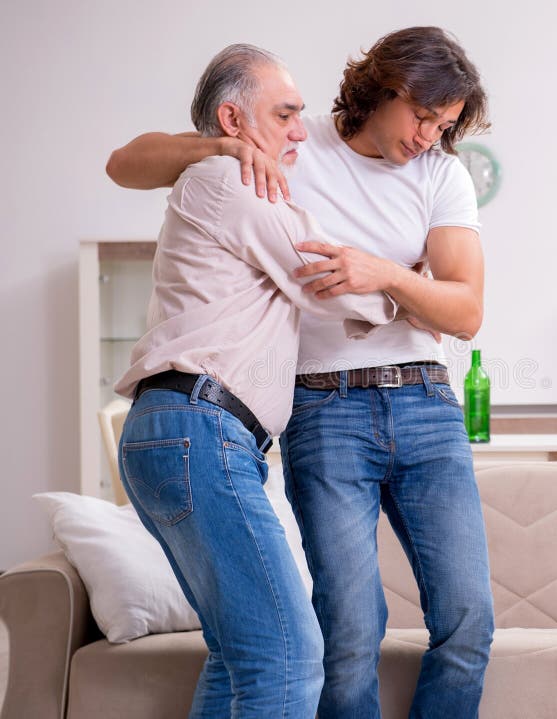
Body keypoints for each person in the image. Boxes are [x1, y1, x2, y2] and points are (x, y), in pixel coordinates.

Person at [107, 26, 494, 719]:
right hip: (320, 407)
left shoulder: (442, 173)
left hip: (423, 401)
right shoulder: (281, 149)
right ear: (382, 90)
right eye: (422, 115)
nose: (429, 136)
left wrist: (381, 273)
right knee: (340, 635)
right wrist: (221, 144)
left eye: (446, 124)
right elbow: (125, 163)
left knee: (467, 621)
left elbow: (466, 312)